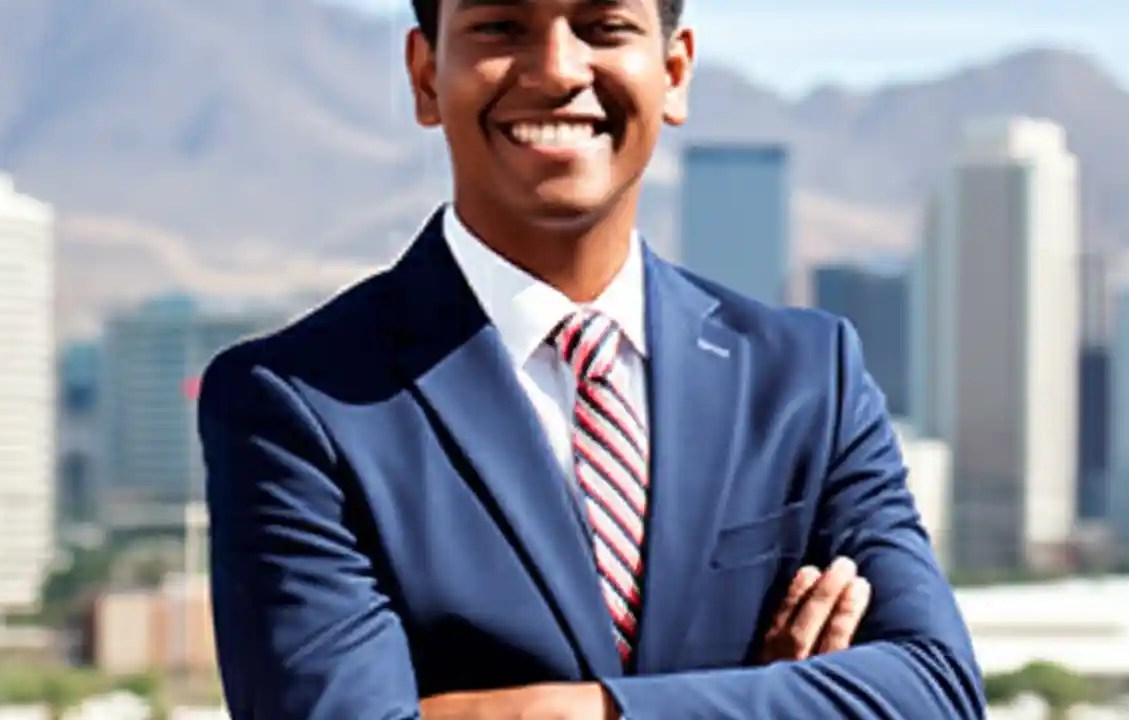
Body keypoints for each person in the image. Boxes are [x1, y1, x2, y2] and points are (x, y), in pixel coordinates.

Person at [198, 0, 984, 717]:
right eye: (501, 28)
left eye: (604, 27)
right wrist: (770, 699)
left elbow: (936, 691)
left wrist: (574, 711)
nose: (557, 71)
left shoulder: (808, 377)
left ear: (673, 72)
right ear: (425, 76)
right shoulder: (294, 401)